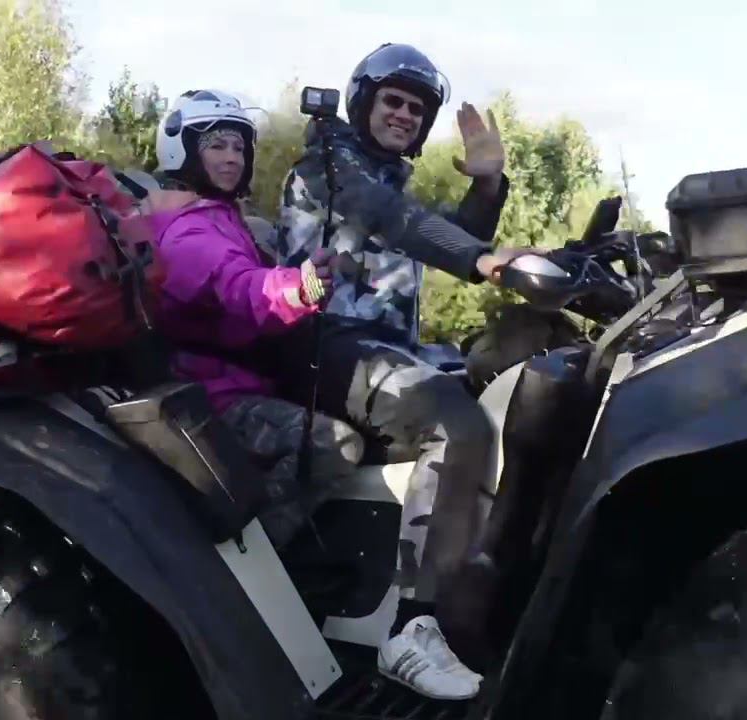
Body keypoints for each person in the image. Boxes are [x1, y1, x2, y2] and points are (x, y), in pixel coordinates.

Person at [272, 43, 532, 698]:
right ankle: (413, 629)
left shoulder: (385, 179)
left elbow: (441, 230)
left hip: (377, 347)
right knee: (458, 423)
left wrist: (488, 186)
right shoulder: (328, 165)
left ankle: (486, 592)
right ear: (362, 103)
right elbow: (402, 225)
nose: (405, 116)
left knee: (510, 388)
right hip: (322, 347)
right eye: (393, 101)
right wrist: (483, 260)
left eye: (417, 110)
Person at [144, 88, 365, 552]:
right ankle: (248, 562)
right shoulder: (188, 232)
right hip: (212, 397)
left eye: (239, 147)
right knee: (334, 444)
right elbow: (243, 288)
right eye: (216, 146)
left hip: (233, 382)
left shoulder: (216, 216)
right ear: (182, 150)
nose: (232, 158)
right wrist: (300, 289)